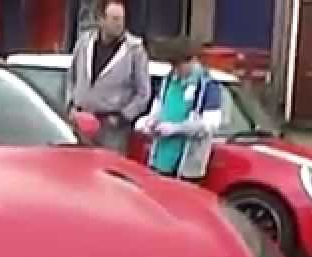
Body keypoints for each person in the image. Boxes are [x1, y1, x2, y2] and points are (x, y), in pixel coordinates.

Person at [65, 0, 151, 154]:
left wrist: (122, 117)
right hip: (80, 123)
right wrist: (70, 106)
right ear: (101, 19)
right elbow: (71, 77)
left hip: (111, 128)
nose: (119, 24)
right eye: (115, 19)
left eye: (122, 19)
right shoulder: (84, 42)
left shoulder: (135, 50)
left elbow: (143, 93)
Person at [134, 40, 222, 181]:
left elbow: (210, 125)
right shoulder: (168, 81)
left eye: (179, 65)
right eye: (173, 65)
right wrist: (149, 122)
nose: (176, 70)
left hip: (187, 165)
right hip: (161, 161)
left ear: (192, 61)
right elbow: (158, 109)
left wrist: (177, 128)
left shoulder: (208, 86)